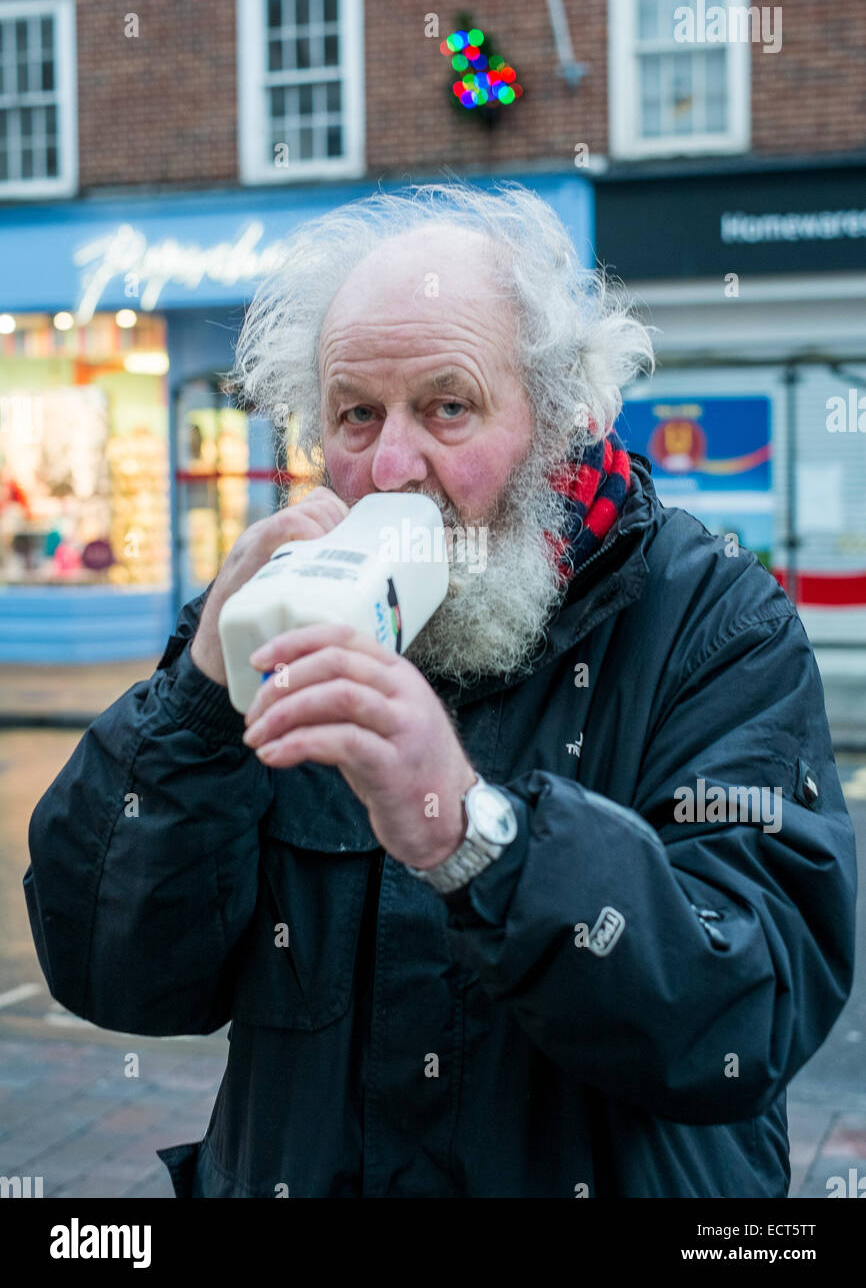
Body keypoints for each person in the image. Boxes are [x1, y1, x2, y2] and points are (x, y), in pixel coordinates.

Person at [24, 183, 856, 1198]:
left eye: (446, 406)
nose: (390, 466)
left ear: (557, 419)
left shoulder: (711, 623)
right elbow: (115, 971)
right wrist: (197, 704)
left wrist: (477, 835)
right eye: (356, 414)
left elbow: (746, 1010)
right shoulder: (267, 621)